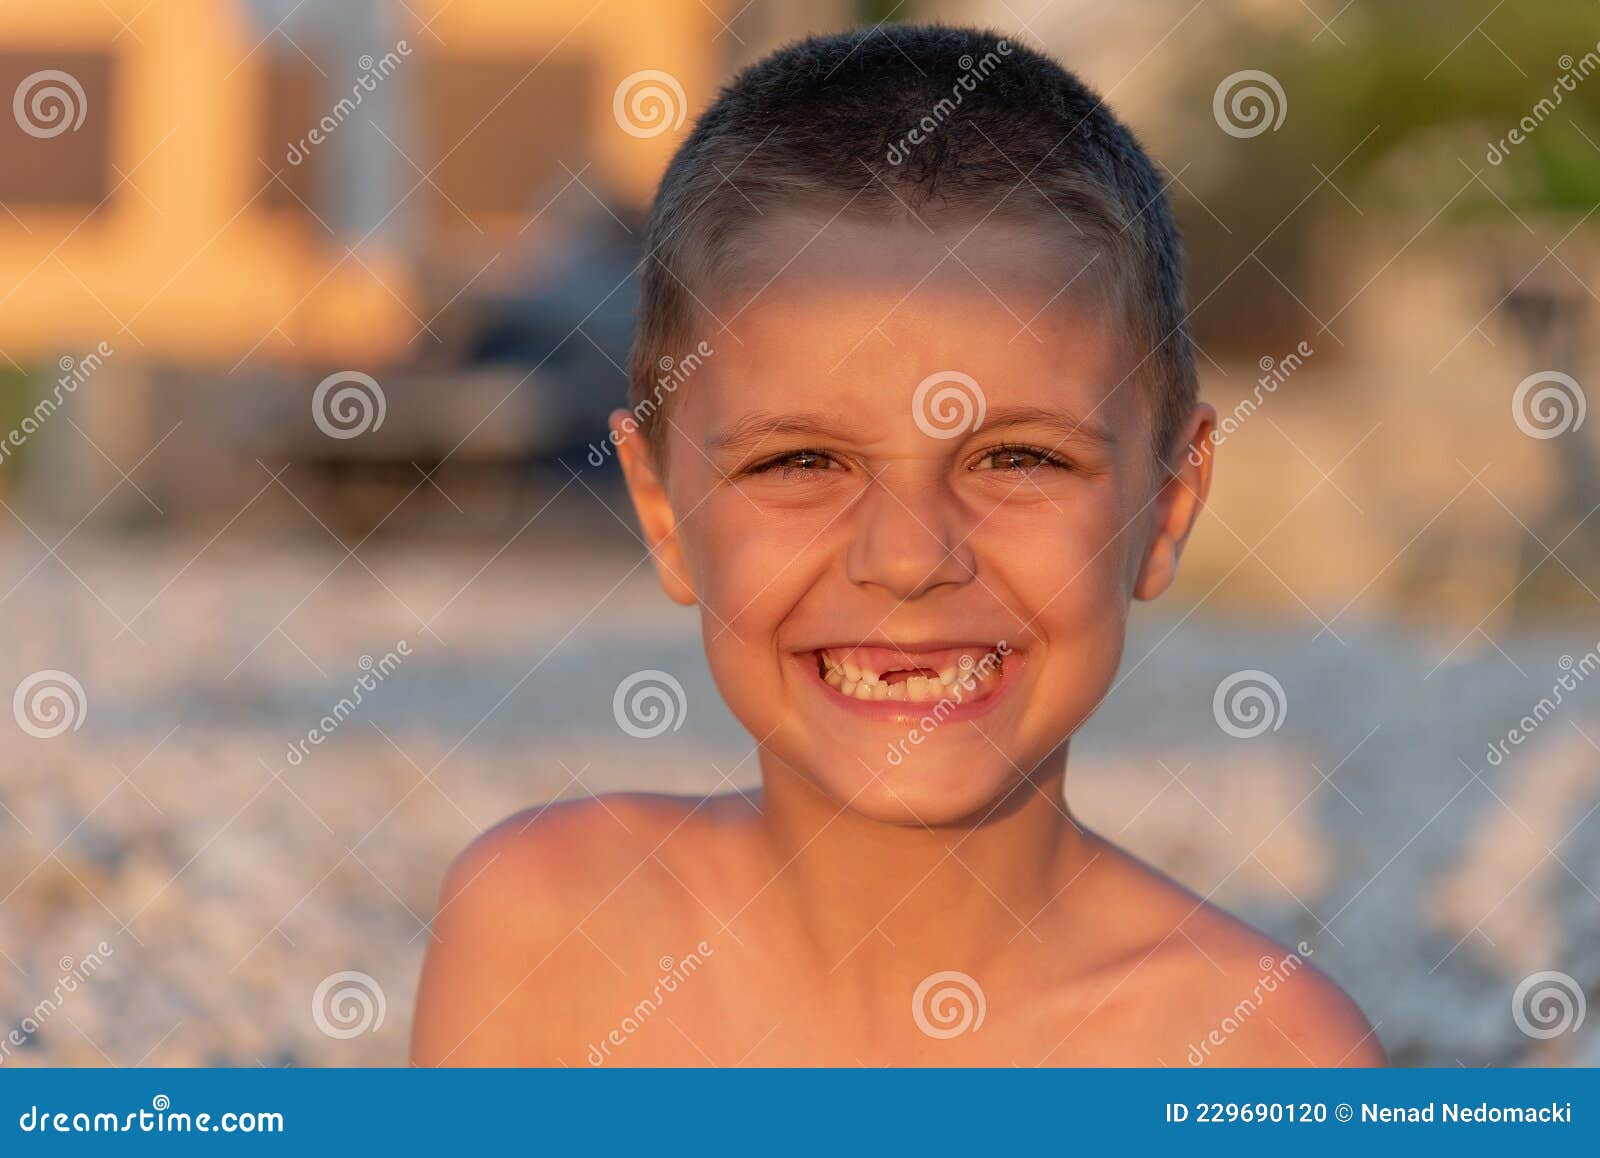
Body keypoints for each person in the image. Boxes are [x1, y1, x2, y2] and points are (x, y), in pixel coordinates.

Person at [411, 24, 1385, 1067]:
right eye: (799, 463)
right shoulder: (548, 936)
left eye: (1018, 458)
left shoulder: (1260, 1055)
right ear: (661, 508)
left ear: (1168, 500)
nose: (910, 557)